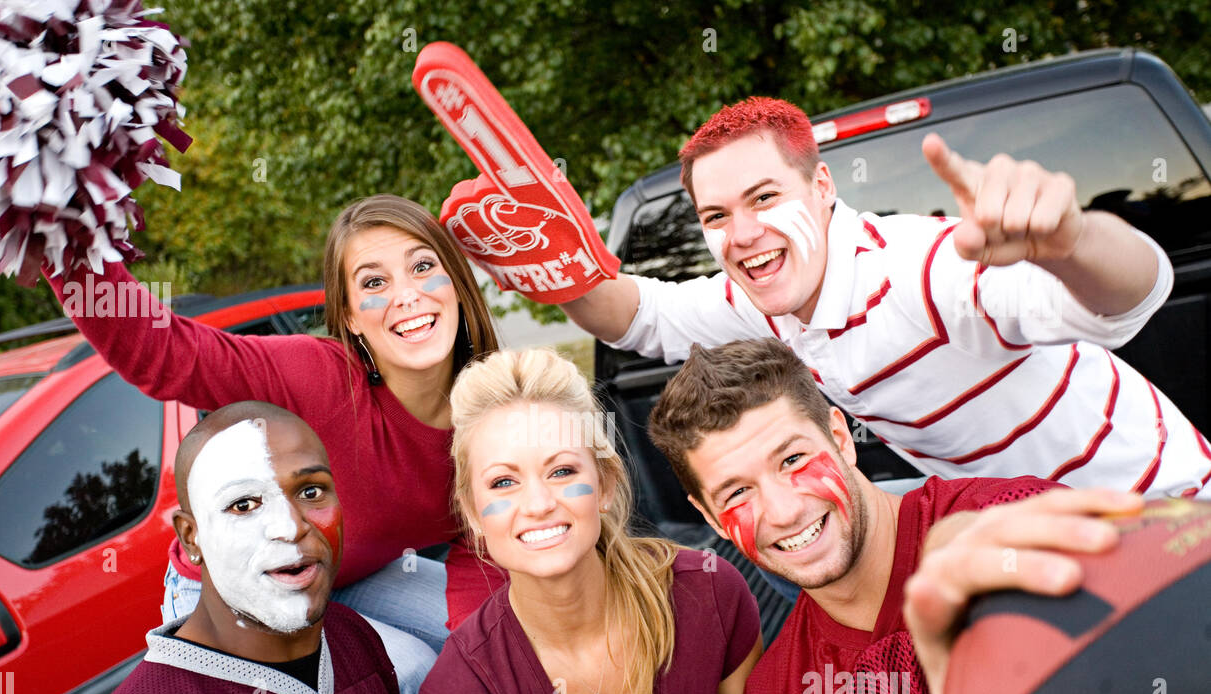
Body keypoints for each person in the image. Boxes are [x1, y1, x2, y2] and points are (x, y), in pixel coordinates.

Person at [434, 88, 1211, 498]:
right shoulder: (756, 298)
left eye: (764, 198)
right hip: (1033, 526)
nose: (743, 234)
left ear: (823, 187)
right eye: (716, 216)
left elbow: (1127, 299)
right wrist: (566, 277)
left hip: (1162, 506)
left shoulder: (922, 270)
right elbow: (642, 317)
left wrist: (1073, 237)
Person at [646, 337, 1210, 694]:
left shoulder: (1015, 522)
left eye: (792, 460)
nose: (785, 511)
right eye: (737, 492)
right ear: (708, 518)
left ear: (841, 438)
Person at [45, 194, 507, 694]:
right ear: (351, 319)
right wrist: (65, 234)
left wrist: (486, 655)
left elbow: (480, 553)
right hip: (230, 590)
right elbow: (165, 352)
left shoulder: (485, 414)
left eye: (422, 266)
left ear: (457, 281)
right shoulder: (315, 376)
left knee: (505, 638)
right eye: (373, 282)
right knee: (409, 676)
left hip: (343, 573)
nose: (406, 295)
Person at [42, 401, 433, 694]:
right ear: (191, 537)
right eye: (243, 505)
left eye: (310, 491)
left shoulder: (353, 641)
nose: (291, 527)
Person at [416, 348, 763, 694]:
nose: (538, 504)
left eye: (561, 471)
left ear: (606, 484)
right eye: (504, 482)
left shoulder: (710, 595)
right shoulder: (459, 693)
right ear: (472, 512)